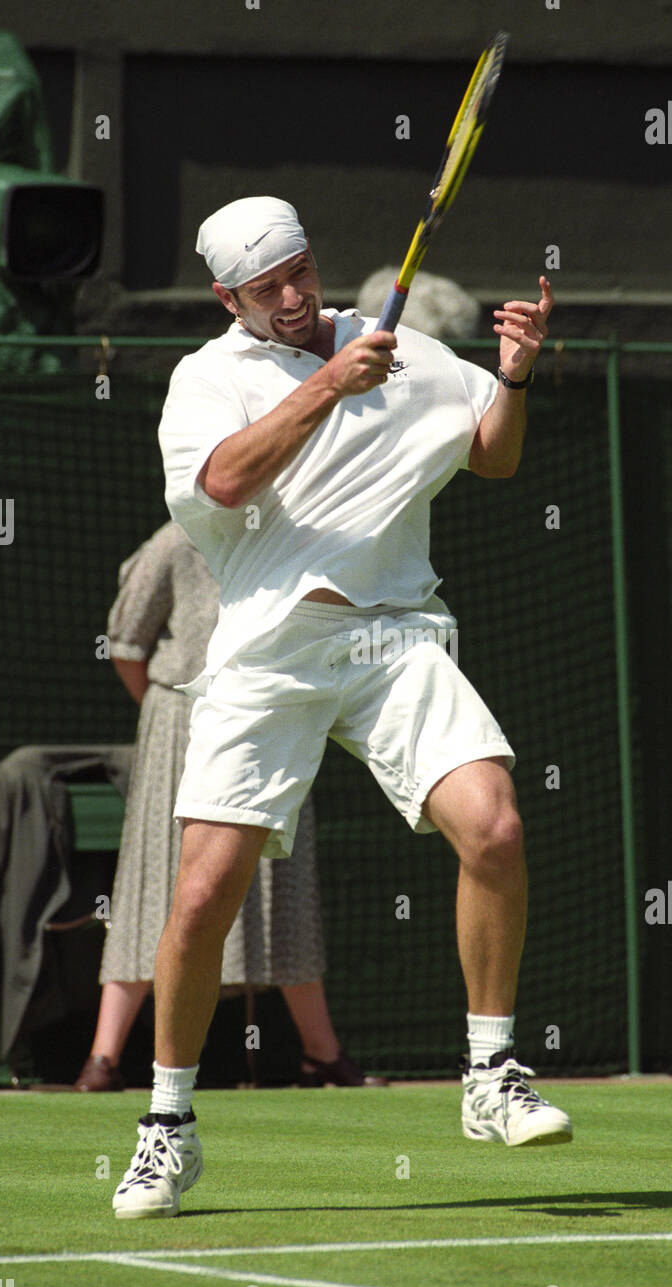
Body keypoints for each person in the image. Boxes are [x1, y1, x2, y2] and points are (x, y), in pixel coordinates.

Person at [113, 196, 572, 1220]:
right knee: (201, 898)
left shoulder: (399, 348)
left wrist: (514, 370)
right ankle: (167, 1126)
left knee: (494, 826)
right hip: (271, 648)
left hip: (396, 636)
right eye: (266, 284)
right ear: (227, 297)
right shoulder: (205, 379)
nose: (291, 292)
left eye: (300, 270)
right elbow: (222, 483)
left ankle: (489, 1074)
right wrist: (327, 383)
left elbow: (493, 455)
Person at [76, 521, 383, 1093]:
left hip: (272, 718)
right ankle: (104, 1059)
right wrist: (170, 715)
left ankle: (322, 1054)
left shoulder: (294, 535)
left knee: (280, 880)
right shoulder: (173, 541)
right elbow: (125, 645)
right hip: (181, 728)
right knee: (157, 883)